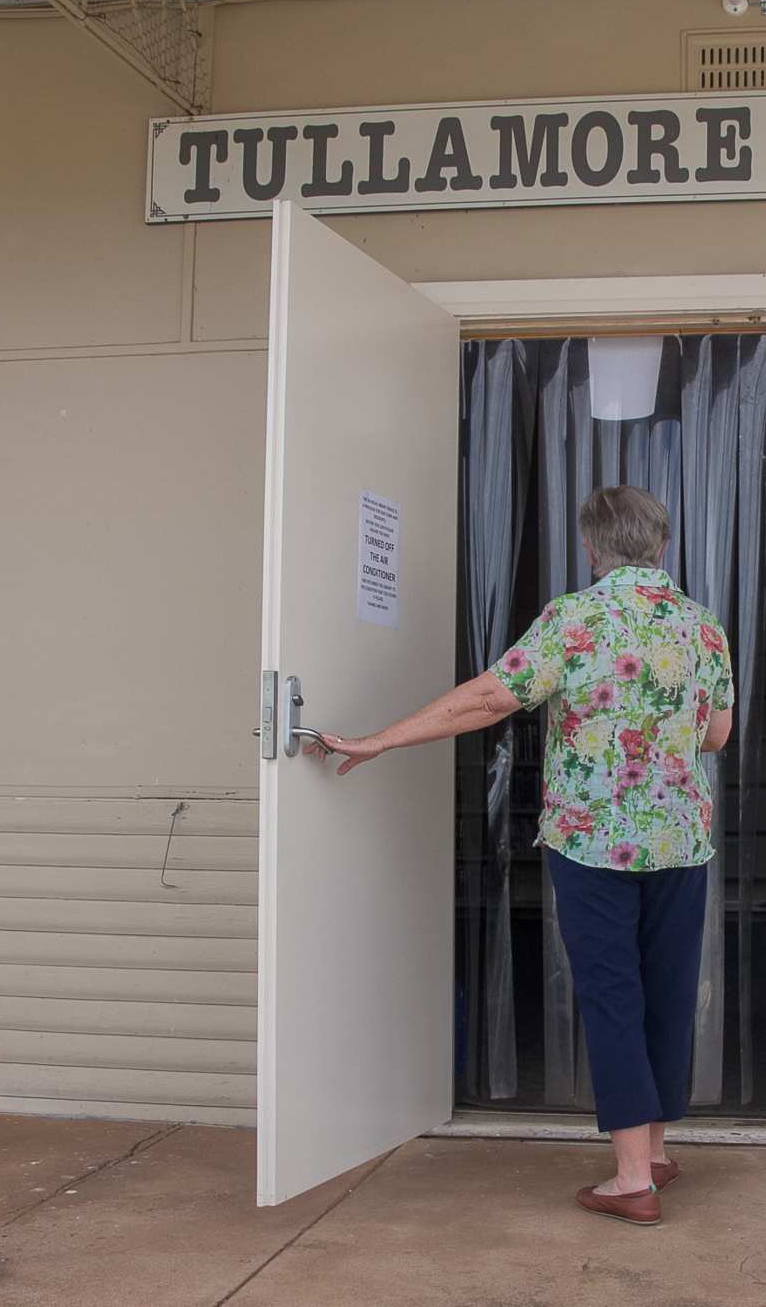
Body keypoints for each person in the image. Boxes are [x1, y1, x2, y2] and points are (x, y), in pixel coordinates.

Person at [307, 484, 734, 1228]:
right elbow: (717, 734)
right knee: (666, 989)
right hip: (679, 838)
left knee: (611, 993)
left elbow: (489, 699)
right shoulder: (703, 627)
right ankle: (655, 1149)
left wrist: (381, 738)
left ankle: (634, 1178)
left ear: (590, 548)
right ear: (662, 546)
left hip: (593, 839)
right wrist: (654, 726)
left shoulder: (573, 620)